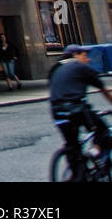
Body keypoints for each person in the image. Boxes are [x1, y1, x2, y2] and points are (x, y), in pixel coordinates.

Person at [48, 45, 112, 181]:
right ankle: (95, 153)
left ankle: (77, 174)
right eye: (84, 55)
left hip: (57, 112)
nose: (87, 59)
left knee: (72, 146)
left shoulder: (55, 69)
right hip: (75, 109)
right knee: (103, 131)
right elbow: (104, 90)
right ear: (75, 55)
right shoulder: (80, 67)